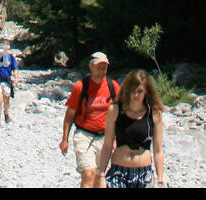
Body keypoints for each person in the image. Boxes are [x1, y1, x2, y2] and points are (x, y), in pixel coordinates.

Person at [60, 52, 119, 189]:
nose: (102, 69)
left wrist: (117, 139)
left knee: (100, 176)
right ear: (91, 67)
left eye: (104, 66)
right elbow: (70, 115)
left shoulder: (113, 87)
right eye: (99, 66)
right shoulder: (80, 87)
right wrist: (65, 139)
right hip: (84, 135)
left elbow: (119, 115)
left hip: (105, 137)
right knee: (88, 174)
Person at [98, 68, 164, 189]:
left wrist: (160, 181)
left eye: (139, 91)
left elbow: (158, 150)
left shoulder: (154, 114)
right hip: (118, 173)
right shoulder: (115, 110)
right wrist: (101, 175)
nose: (135, 95)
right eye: (132, 91)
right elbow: (107, 146)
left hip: (144, 175)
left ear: (146, 92)